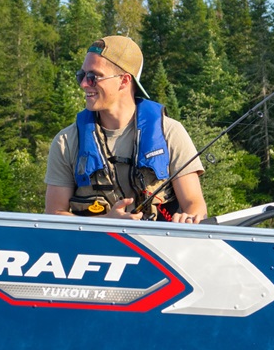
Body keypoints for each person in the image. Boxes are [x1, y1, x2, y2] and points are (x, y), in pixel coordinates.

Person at [44, 35, 206, 223]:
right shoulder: (66, 142)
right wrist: (107, 222)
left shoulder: (170, 133)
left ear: (124, 80)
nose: (83, 84)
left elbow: (195, 205)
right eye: (81, 76)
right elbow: (54, 216)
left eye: (93, 77)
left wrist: (188, 218)